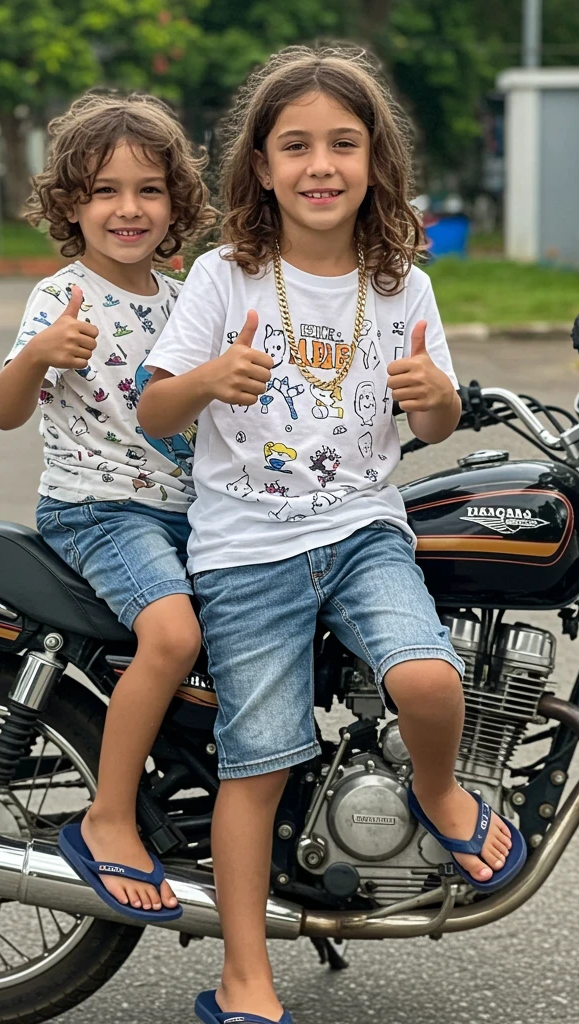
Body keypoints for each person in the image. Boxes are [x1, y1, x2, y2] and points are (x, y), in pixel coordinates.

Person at [138, 46, 527, 1024]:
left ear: (374, 161)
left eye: (343, 144)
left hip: (362, 528)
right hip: (246, 546)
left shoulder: (402, 285)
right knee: (257, 761)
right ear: (261, 167)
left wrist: (438, 400)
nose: (322, 163)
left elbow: (431, 422)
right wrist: (204, 384)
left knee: (431, 679)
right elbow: (154, 409)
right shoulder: (228, 276)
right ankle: (242, 972)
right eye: (297, 144)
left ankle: (438, 797)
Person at [0, 90, 216, 923]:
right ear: (70, 205)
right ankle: (109, 815)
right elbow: (7, 411)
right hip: (101, 510)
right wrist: (39, 355)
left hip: (191, 509)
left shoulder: (189, 292)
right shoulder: (61, 299)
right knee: (173, 633)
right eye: (103, 190)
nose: (128, 209)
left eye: (148, 189)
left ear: (175, 202)